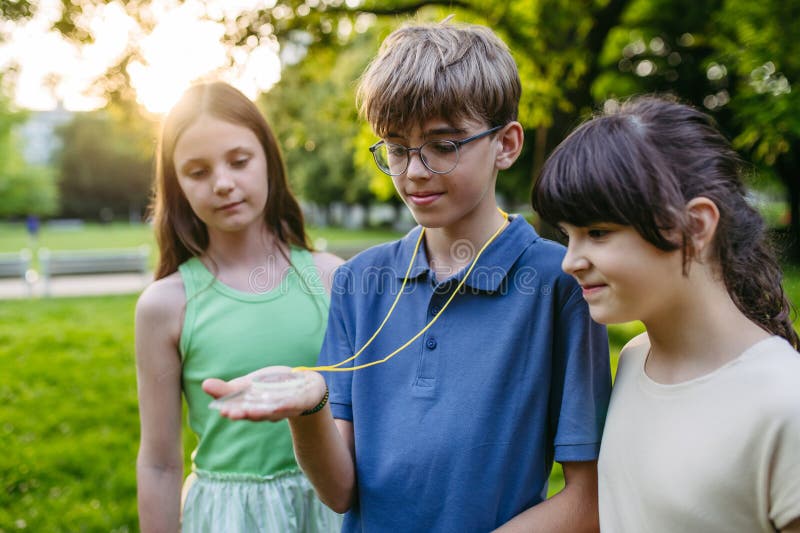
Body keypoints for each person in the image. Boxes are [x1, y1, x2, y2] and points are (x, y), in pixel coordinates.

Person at [205, 21, 612, 532]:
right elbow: (340, 493)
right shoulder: (359, 282)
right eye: (396, 148)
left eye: (443, 146)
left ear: (506, 145)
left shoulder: (561, 282)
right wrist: (309, 410)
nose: (414, 171)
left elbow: (589, 501)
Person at [532, 95, 800, 533]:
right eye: (568, 236)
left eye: (597, 233)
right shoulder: (637, 359)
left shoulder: (785, 405)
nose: (570, 261)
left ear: (695, 226)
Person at [134, 81, 344, 532]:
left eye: (239, 161)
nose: (223, 183)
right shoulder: (165, 305)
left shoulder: (330, 278)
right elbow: (159, 463)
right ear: (178, 186)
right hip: (226, 518)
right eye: (197, 171)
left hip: (329, 508)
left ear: (269, 158)